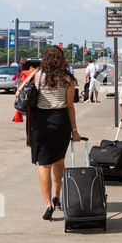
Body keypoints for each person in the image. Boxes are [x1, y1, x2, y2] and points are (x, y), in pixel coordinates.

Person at [17, 45, 81, 221]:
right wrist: (74, 131)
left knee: (43, 164)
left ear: (45, 58)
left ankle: (47, 204)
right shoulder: (68, 77)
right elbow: (70, 106)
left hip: (40, 123)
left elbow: (19, 92)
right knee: (59, 160)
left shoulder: (37, 75)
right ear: (62, 59)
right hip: (60, 122)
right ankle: (57, 196)